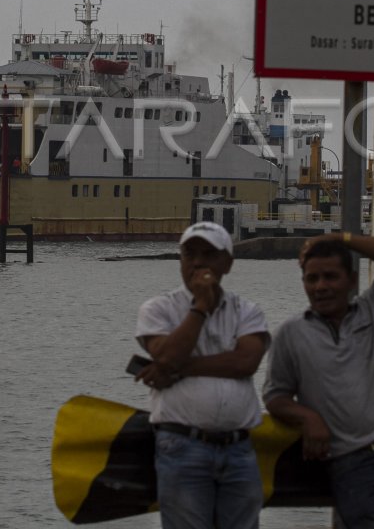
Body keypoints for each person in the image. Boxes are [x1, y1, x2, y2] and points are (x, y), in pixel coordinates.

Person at [263, 232, 374, 529]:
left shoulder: (372, 310)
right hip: (353, 465)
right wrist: (308, 418)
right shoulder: (290, 335)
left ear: (352, 280)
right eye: (312, 278)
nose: (320, 287)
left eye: (331, 276)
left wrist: (340, 238)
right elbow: (274, 397)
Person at [134, 221, 270, 529]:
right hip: (182, 445)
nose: (197, 262)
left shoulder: (248, 311)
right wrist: (200, 308)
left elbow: (245, 363)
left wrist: (176, 370)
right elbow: (167, 355)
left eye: (208, 254)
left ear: (228, 263)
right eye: (189, 254)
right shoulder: (158, 308)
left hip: (239, 449)